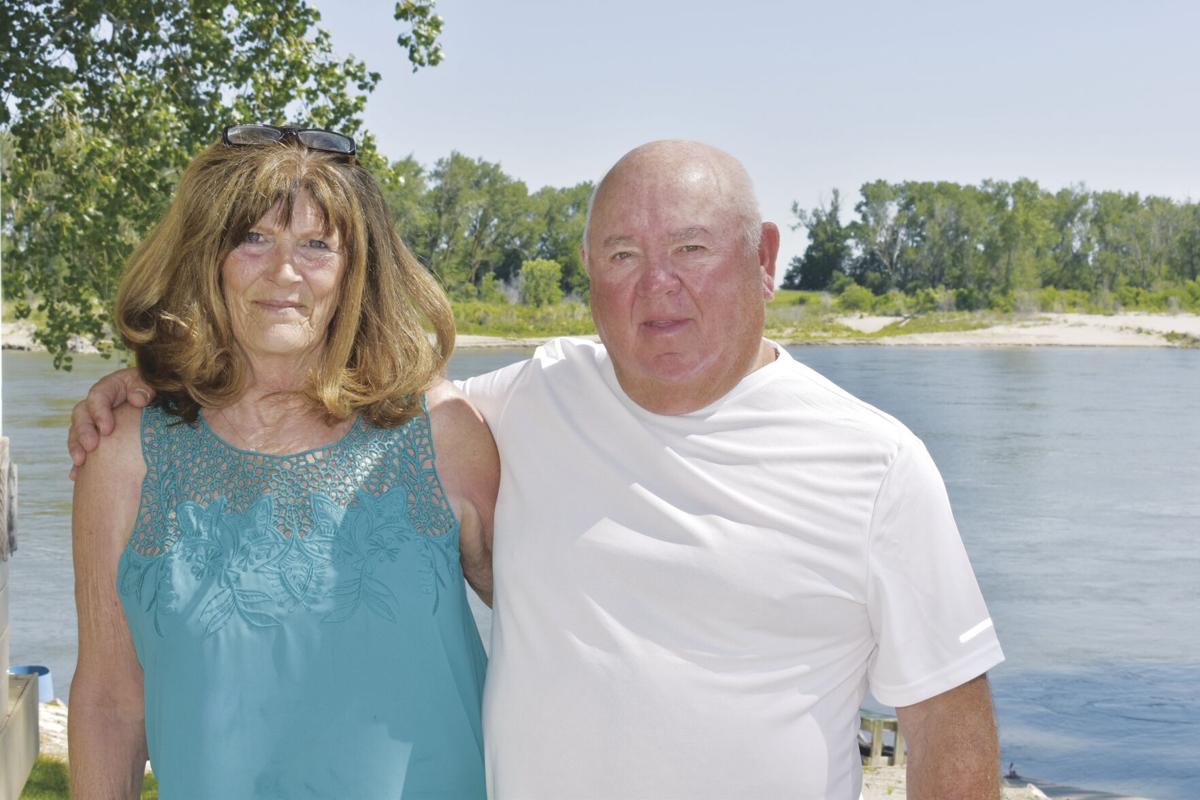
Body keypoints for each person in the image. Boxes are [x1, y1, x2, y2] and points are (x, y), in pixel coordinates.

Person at [70, 139, 1004, 799]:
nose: (658, 286)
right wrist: (149, 379)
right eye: (623, 254)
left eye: (691, 251)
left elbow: (950, 735)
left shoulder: (876, 462)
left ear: (763, 261)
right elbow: (111, 693)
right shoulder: (537, 396)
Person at [67, 124, 497, 799]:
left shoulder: (442, 434)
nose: (283, 272)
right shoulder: (123, 454)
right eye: (253, 238)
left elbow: (559, 633)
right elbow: (108, 702)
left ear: (359, 267)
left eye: (317, 244)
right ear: (206, 255)